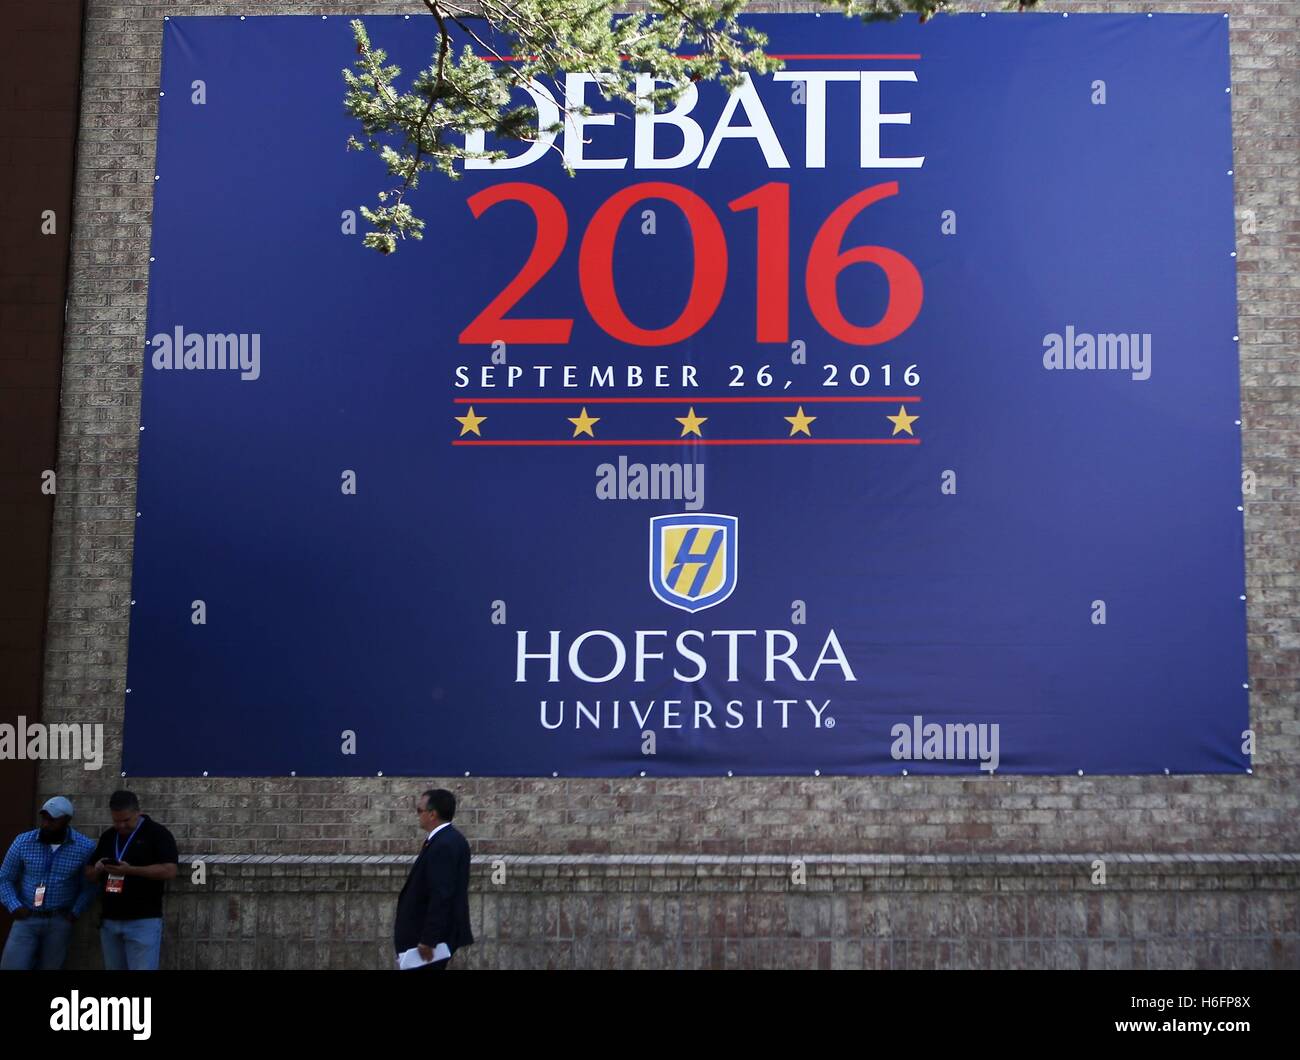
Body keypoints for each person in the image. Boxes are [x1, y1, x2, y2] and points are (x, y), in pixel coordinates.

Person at [85, 790, 179, 970]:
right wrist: (97, 869)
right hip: (110, 920)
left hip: (142, 921)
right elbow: (88, 873)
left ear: (138, 812)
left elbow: (170, 870)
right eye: (116, 821)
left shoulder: (157, 833)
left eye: (126, 820)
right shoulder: (108, 836)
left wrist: (130, 870)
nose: (120, 825)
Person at [0, 797, 97, 969]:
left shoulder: (84, 847)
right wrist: (14, 905)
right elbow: (4, 878)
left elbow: (89, 886)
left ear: (67, 820)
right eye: (44, 818)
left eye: (52, 820)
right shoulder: (23, 842)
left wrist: (75, 912)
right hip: (26, 917)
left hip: (59, 921)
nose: (46, 824)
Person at [394, 788, 473, 971]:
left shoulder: (444, 844)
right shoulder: (447, 839)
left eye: (419, 810)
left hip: (430, 941)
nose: (418, 815)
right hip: (431, 936)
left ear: (432, 814)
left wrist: (428, 940)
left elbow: (441, 894)